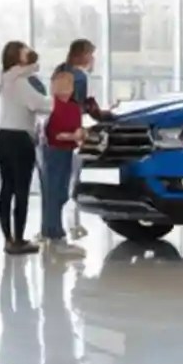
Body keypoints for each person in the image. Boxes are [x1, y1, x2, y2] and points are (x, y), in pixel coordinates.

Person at [0, 41, 52, 255]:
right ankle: (19, 240)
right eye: (24, 50)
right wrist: (64, 101)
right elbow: (39, 104)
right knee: (21, 190)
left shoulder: (5, 78)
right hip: (20, 138)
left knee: (6, 188)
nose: (29, 52)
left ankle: (8, 239)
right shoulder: (20, 82)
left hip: (3, 136)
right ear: (17, 56)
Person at [56, 39, 112, 239]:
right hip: (71, 131)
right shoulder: (79, 77)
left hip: (54, 130)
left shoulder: (60, 70)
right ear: (81, 55)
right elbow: (83, 105)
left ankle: (54, 227)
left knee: (56, 181)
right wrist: (105, 113)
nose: (92, 58)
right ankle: (71, 226)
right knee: (72, 180)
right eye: (90, 54)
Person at [41, 69, 87, 259]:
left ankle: (53, 232)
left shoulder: (74, 108)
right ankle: (54, 234)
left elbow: (77, 130)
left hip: (67, 152)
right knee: (53, 192)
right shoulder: (51, 107)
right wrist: (73, 136)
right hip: (54, 152)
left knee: (61, 193)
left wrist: (80, 135)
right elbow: (53, 134)